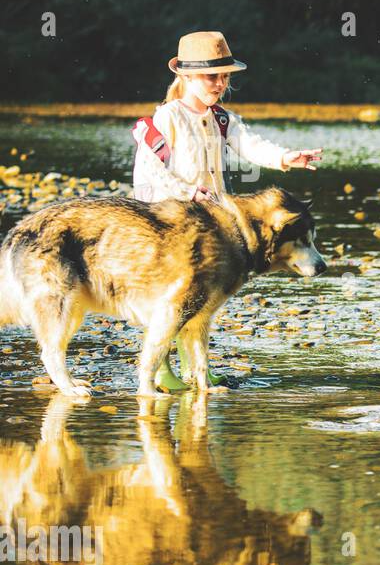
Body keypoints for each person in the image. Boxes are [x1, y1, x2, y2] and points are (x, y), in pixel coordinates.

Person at [132, 31, 321, 392]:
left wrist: (285, 158)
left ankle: (195, 367)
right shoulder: (167, 118)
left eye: (225, 76)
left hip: (211, 225)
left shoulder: (222, 119)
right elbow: (149, 171)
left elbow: (251, 145)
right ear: (185, 76)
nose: (220, 83)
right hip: (169, 224)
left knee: (203, 294)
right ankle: (161, 369)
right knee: (173, 295)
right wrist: (188, 191)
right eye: (211, 76)